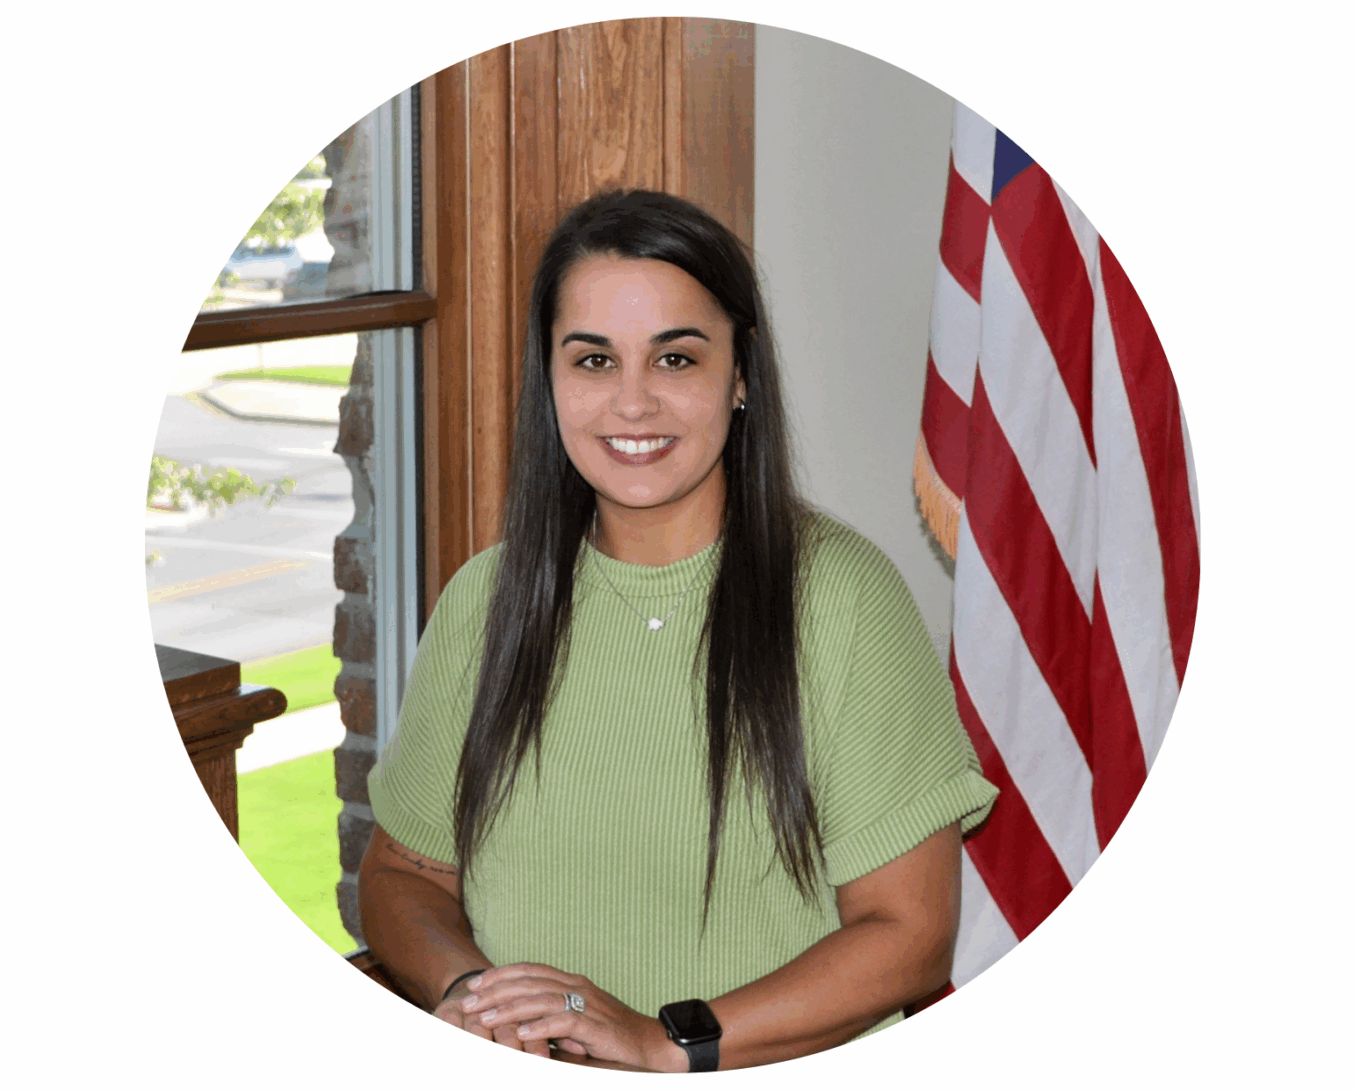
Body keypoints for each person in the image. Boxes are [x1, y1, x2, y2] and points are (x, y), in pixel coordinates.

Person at [359, 189, 998, 1072]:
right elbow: (404, 875)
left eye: (675, 358)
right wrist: (482, 999)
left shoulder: (844, 600)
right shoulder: (485, 601)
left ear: (740, 376)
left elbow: (910, 933)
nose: (632, 403)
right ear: (550, 379)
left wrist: (663, 1042)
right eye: (593, 360)